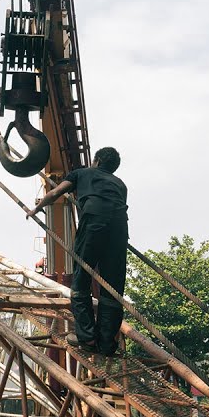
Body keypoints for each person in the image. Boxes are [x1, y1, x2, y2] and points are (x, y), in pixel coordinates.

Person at [27, 147, 128, 356]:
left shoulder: (82, 173)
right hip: (120, 230)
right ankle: (107, 343)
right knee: (113, 288)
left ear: (97, 161)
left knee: (80, 283)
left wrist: (36, 209)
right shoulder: (120, 184)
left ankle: (87, 337)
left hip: (93, 225)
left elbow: (55, 192)